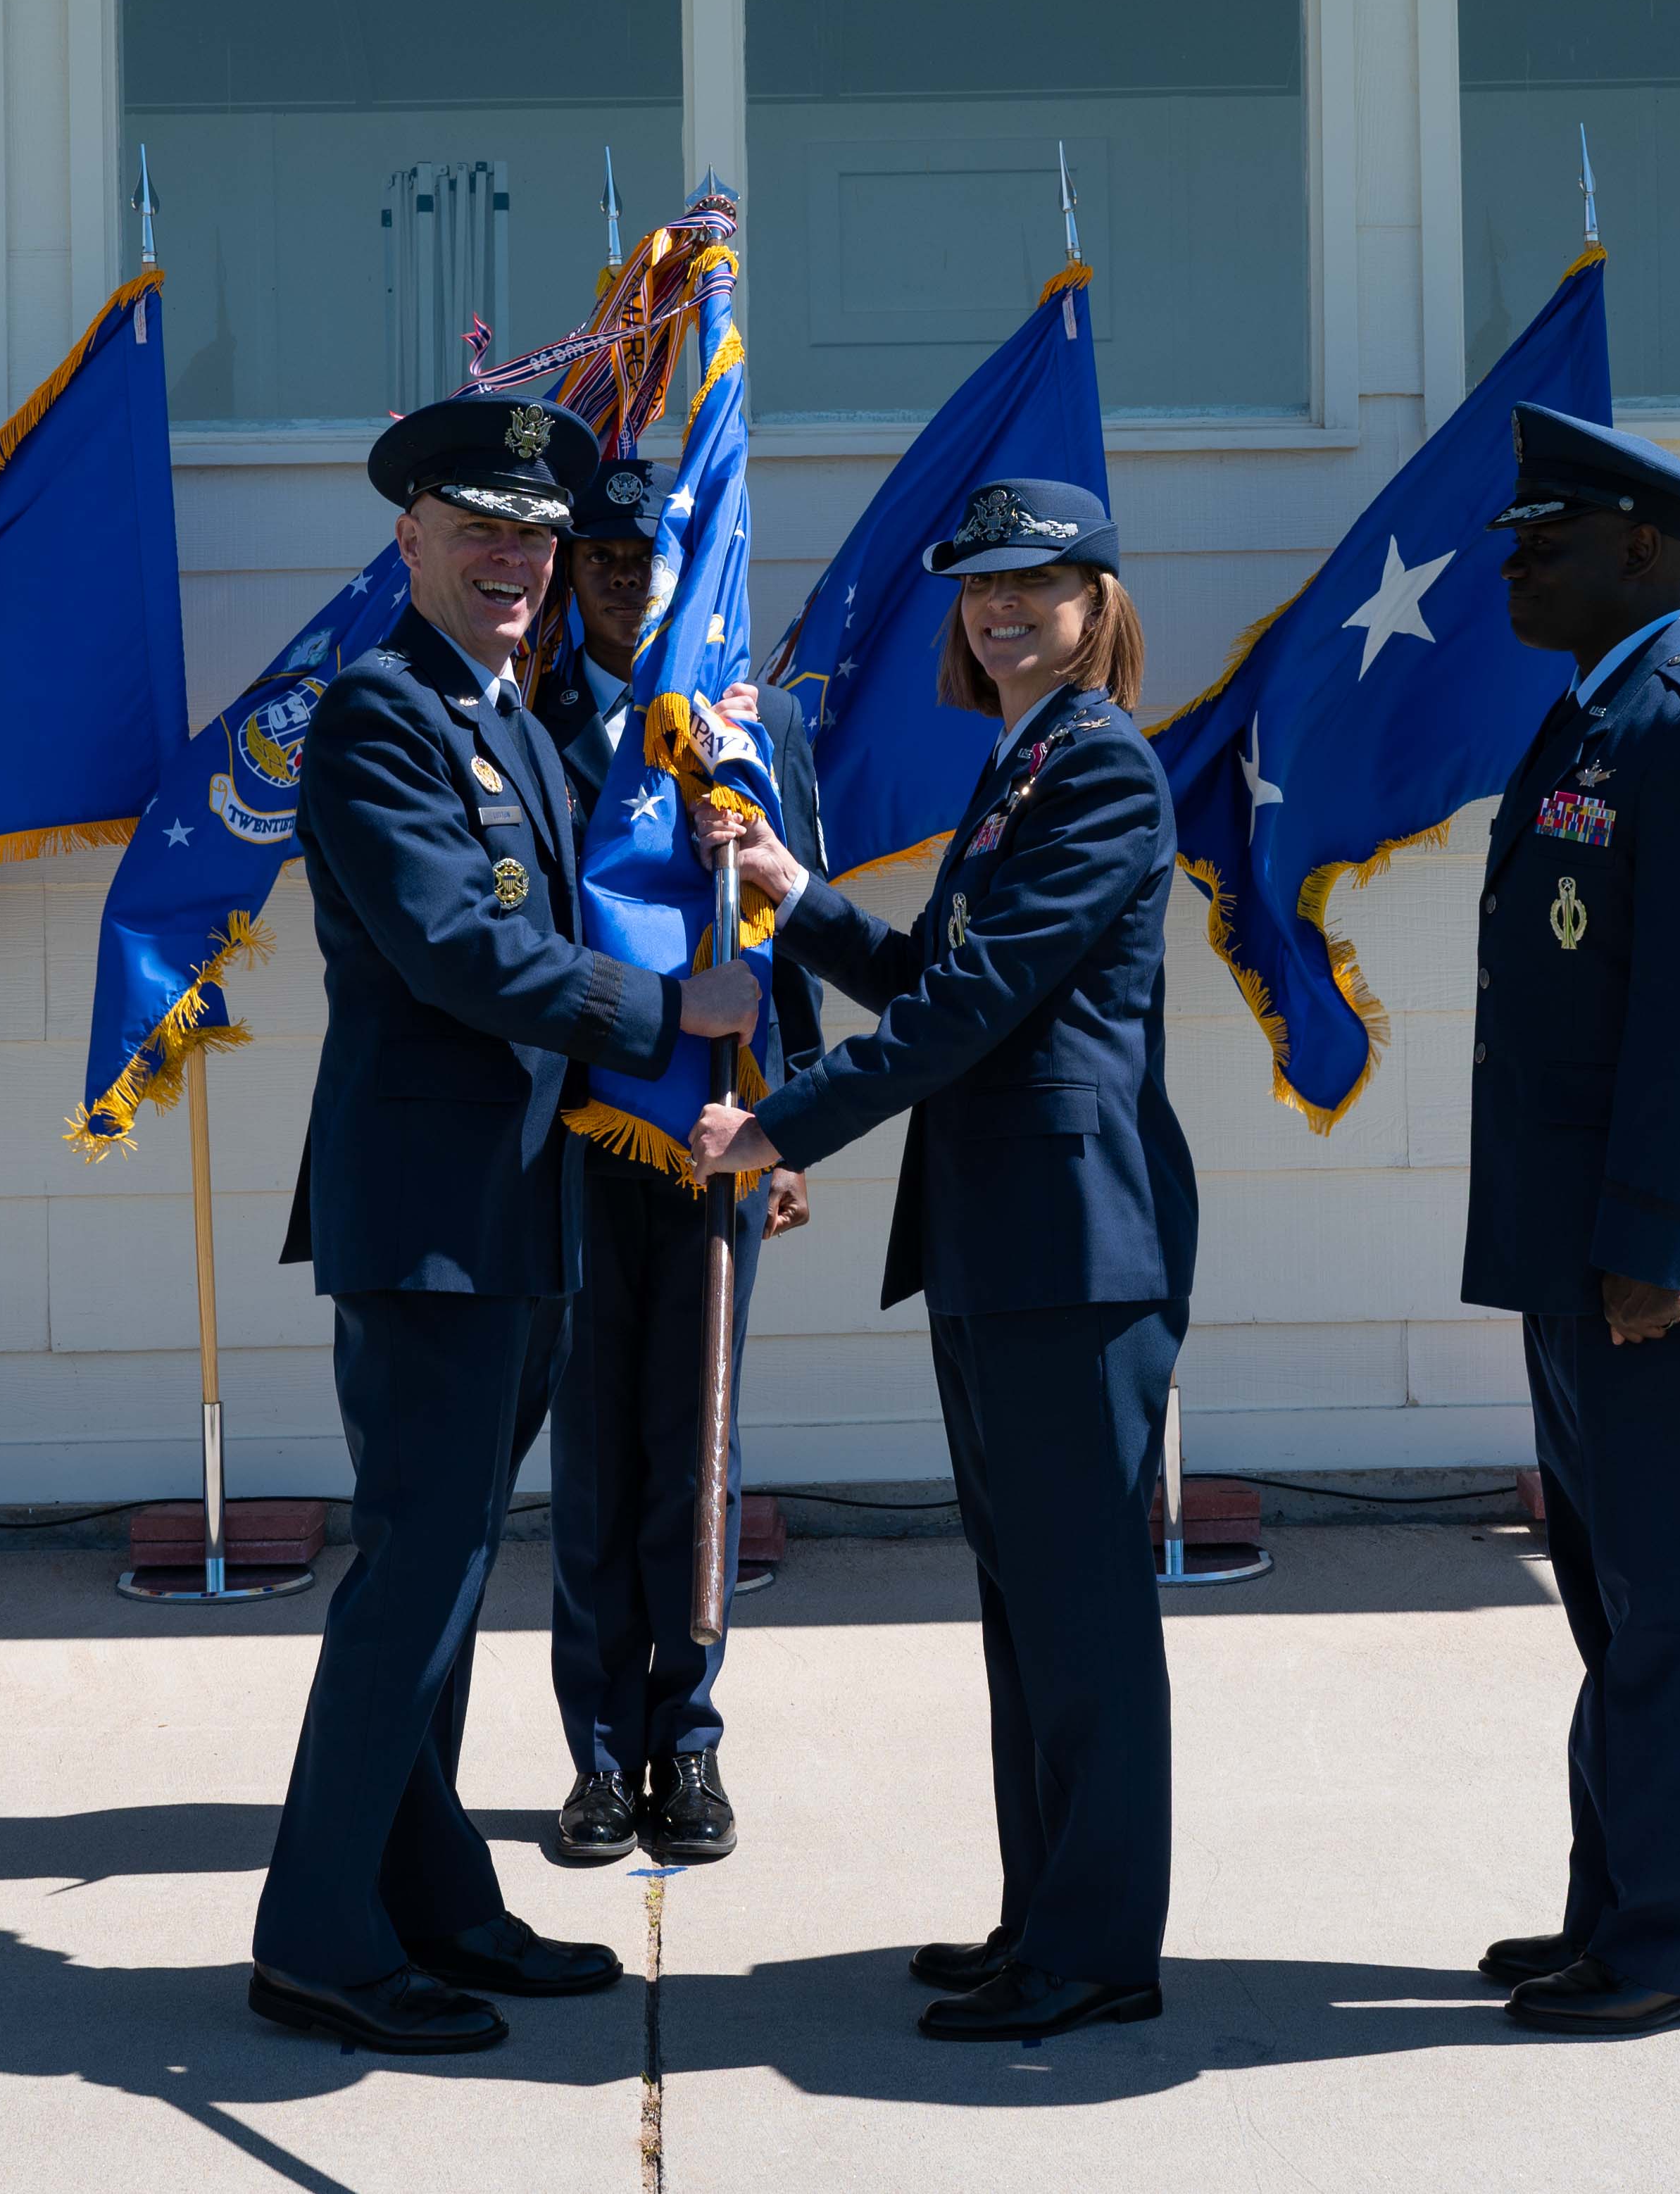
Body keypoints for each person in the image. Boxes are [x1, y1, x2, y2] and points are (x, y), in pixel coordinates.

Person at [250, 395, 765, 2057]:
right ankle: (320, 1934)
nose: (514, 560)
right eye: (477, 529)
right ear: (407, 541)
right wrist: (670, 1003)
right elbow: (455, 952)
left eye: (536, 538)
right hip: (429, 1226)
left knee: (452, 1580)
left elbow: (595, 881)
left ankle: (433, 1902)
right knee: (414, 1577)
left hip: (512, 1215)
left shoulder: (516, 724)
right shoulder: (381, 720)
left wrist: (714, 792)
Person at [691, 477, 1196, 2044]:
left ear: (1095, 605)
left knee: (1083, 1612)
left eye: (1034, 587)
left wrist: (779, 1125)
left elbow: (969, 1008)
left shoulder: (1098, 768)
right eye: (978, 589)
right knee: (1028, 1601)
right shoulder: (1021, 764)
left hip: (1069, 1243)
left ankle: (1097, 1946)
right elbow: (934, 969)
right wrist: (792, 892)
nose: (997, 610)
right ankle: (1042, 1914)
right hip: (1005, 1238)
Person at [1466, 402, 1680, 2036]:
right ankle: (1617, 1909)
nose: (1517, 565)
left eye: (1547, 541)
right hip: (1581, 1248)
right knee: (1612, 1602)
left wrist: (1653, 1246)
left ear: (1643, 549)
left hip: (1650, 1264)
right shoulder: (1587, 722)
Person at [532, 460, 831, 1869]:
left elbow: (795, 916)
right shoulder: (531, 722)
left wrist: (796, 1121)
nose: (616, 572)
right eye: (591, 548)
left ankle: (688, 1745)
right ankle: (598, 1755)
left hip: (720, 1131)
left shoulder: (744, 718)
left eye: (644, 552)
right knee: (596, 1453)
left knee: (695, 1446)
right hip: (581, 1136)